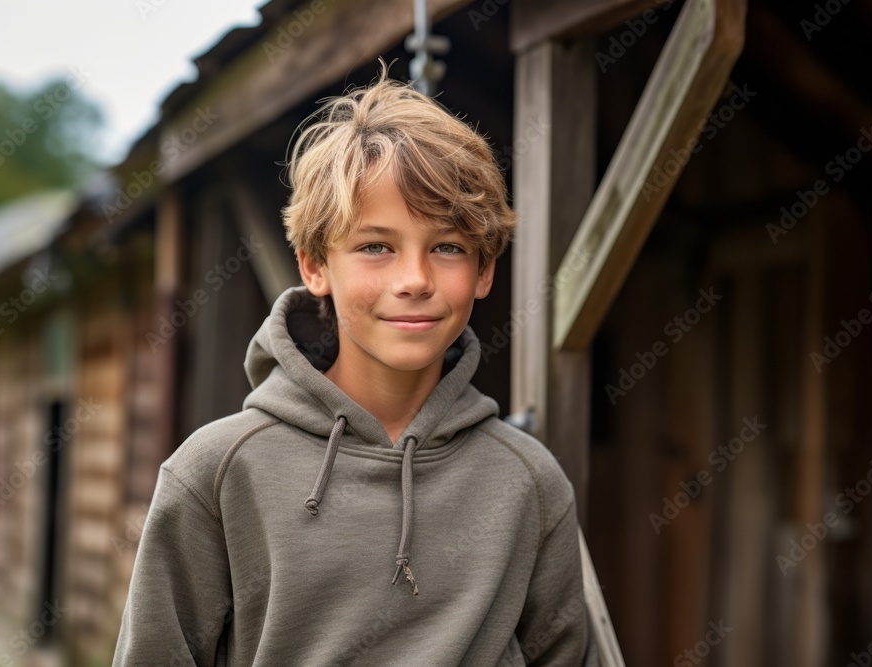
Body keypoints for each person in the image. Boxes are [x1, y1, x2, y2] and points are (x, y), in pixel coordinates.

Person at [113, 64, 590, 666]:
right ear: (315, 266)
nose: (414, 280)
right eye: (375, 247)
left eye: (447, 247)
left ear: (484, 270)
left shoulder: (531, 482)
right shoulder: (215, 472)